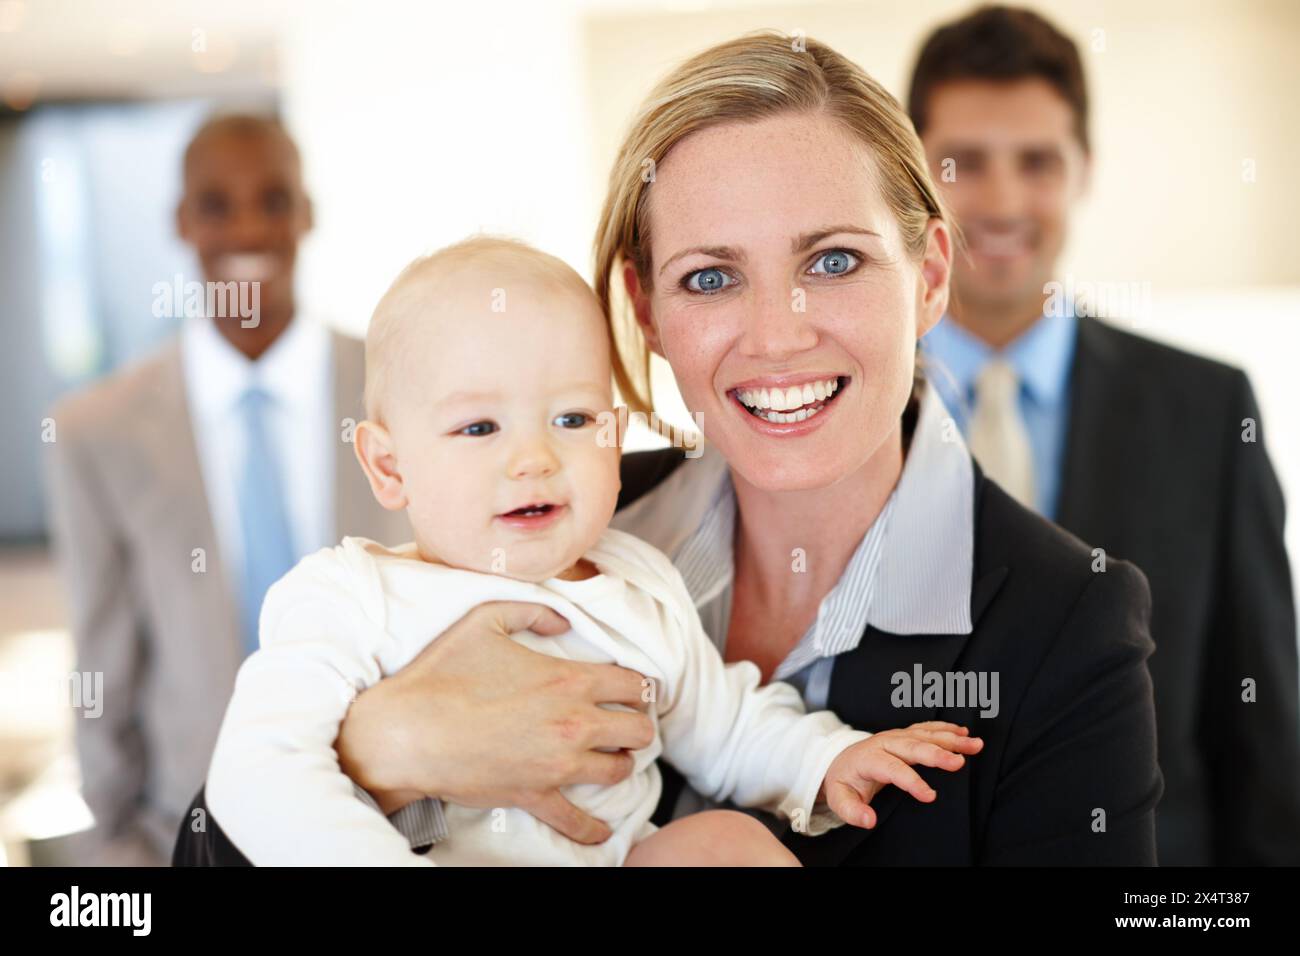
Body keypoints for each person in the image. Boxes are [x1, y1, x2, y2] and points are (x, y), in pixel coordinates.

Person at [176, 31, 1162, 867]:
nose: (777, 333)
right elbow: (219, 831)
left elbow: (727, 721)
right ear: (645, 310)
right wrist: (383, 749)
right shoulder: (576, 524)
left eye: (833, 259)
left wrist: (815, 766)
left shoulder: (1067, 629)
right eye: (708, 278)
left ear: (930, 273)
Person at [203, 236, 983, 866]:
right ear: (388, 466)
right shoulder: (347, 597)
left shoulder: (638, 580)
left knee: (728, 845)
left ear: (615, 437)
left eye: (573, 420)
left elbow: (725, 725)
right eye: (480, 429)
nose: (534, 458)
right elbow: (257, 772)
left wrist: (827, 762)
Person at [909, 5, 1300, 865]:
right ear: (912, 175)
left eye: (1037, 162)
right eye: (965, 162)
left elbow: (1263, 732)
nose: (1003, 199)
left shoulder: (1207, 408)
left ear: (1084, 171)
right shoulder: (839, 403)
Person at [45, 113, 407, 866]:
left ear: (307, 213)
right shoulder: (97, 431)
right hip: (186, 833)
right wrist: (115, 851)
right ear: (182, 221)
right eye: (217, 204)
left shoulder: (402, 389)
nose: (248, 225)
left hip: (399, 819)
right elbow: (100, 661)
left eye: (273, 199)